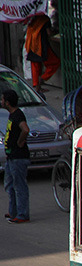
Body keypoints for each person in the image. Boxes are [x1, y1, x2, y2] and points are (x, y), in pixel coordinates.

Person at [2, 90, 31, 224]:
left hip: (18, 157)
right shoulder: (12, 115)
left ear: (7, 103)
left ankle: (22, 214)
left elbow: (25, 129)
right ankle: (13, 211)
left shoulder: (18, 115)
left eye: (2, 100)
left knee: (19, 186)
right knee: (10, 185)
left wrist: (20, 142)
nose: (1, 102)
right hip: (11, 157)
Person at [25, 14, 60, 94]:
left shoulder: (31, 18)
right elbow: (48, 33)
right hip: (41, 46)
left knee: (35, 67)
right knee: (55, 62)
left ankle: (37, 86)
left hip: (32, 45)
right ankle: (42, 80)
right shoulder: (45, 19)